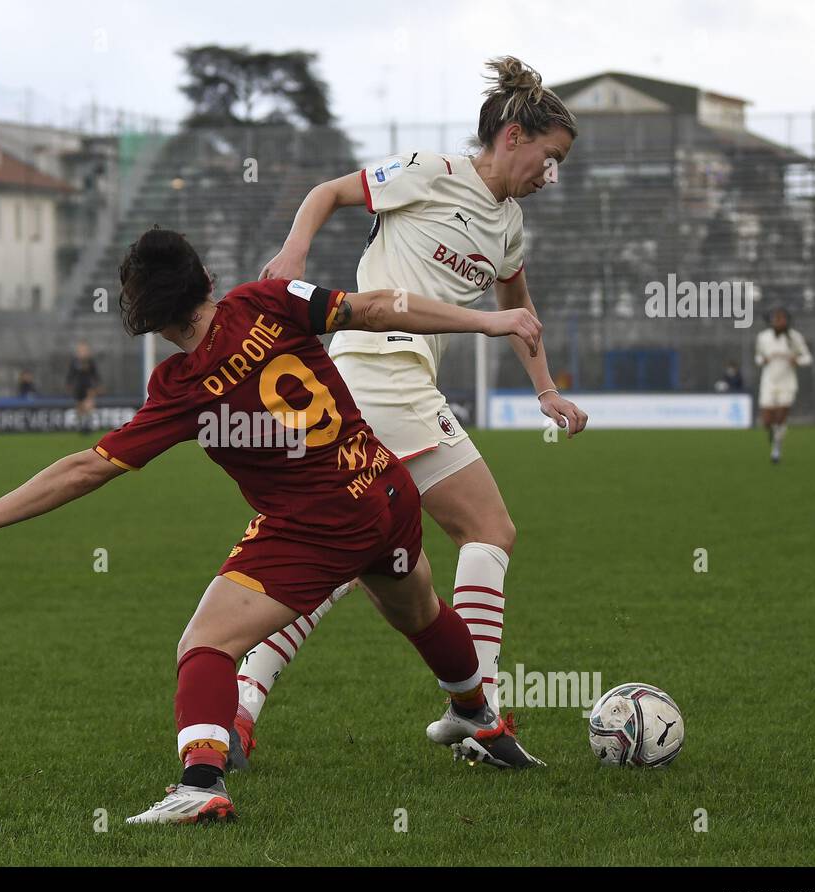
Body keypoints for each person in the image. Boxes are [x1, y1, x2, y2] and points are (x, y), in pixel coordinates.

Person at [0, 228, 546, 825]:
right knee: (421, 614)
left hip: (317, 524)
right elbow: (376, 309)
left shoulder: (180, 386)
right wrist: (488, 319)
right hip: (383, 485)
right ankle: (479, 719)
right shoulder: (265, 300)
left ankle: (201, 786)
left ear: (147, 319)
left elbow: (86, 469)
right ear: (207, 278)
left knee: (206, 645)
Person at [238, 56, 588, 766]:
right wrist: (294, 249)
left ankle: (242, 704)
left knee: (345, 553)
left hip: (384, 385)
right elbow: (328, 191)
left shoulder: (509, 226)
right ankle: (481, 714)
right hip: (378, 373)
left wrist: (545, 389)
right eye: (548, 159)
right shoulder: (431, 171)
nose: (551, 176)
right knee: (486, 528)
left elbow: (517, 310)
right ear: (513, 135)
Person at [755, 307, 811, 463]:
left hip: (787, 382)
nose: (778, 321)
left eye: (781, 318)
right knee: (767, 421)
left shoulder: (795, 338)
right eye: (775, 318)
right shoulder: (763, 337)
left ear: (787, 320)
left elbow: (807, 358)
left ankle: (776, 450)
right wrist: (762, 360)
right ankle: (773, 434)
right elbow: (758, 357)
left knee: (781, 417)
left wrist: (797, 361)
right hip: (768, 382)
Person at [66, 341, 100, 434]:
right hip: (78, 387)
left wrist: (97, 386)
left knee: (89, 406)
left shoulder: (90, 361)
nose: (82, 352)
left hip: (88, 387)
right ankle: (81, 426)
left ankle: (89, 426)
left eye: (84, 350)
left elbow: (95, 374)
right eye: (80, 350)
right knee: (79, 408)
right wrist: (69, 384)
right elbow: (70, 374)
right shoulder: (74, 362)